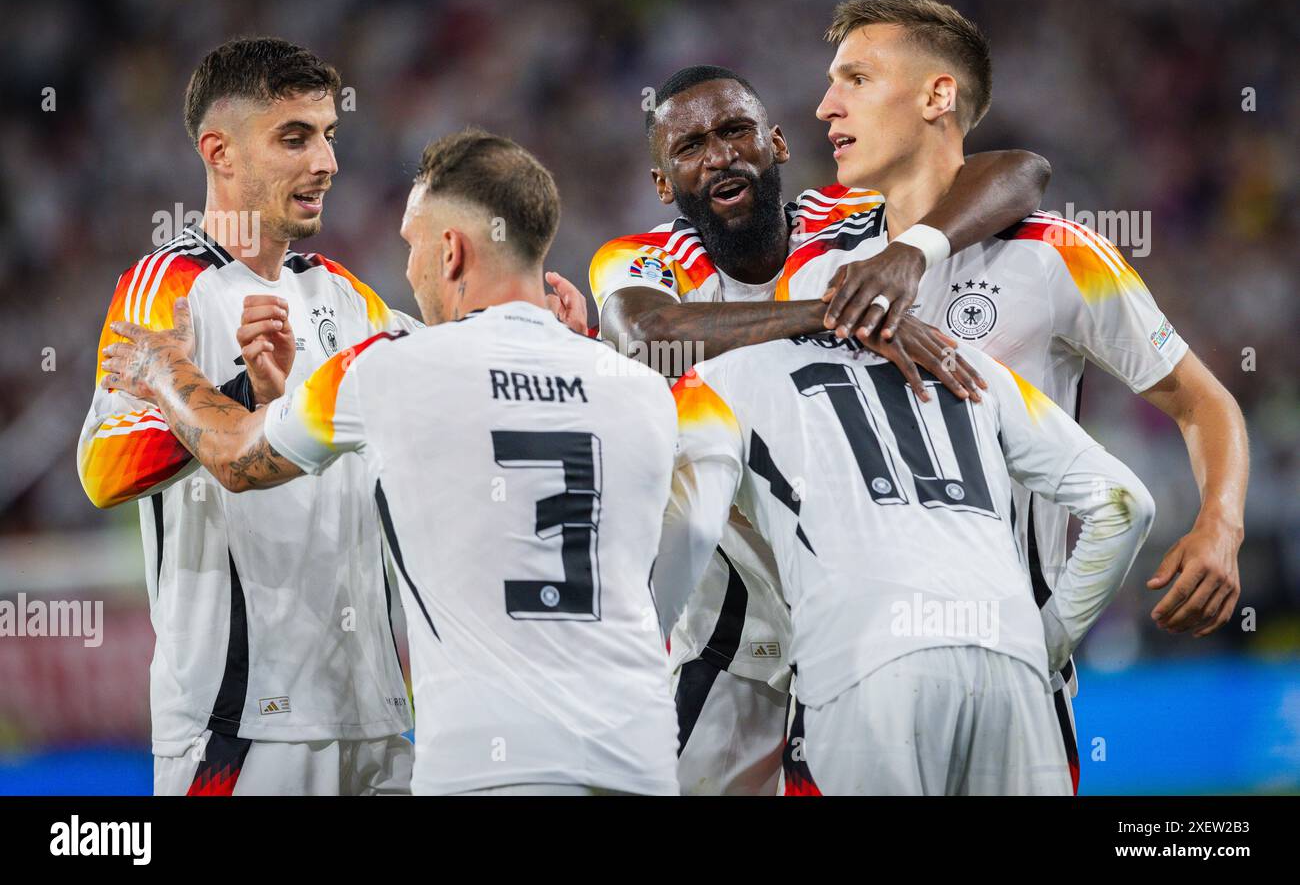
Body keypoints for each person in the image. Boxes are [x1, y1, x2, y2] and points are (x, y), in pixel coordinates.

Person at [100, 129, 681, 797]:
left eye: (412, 245)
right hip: (639, 760)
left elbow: (233, 456)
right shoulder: (641, 392)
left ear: (452, 251)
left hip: (490, 768)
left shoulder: (389, 371)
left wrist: (165, 370)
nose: (408, 272)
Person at [780, 0, 1248, 791]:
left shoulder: (1055, 255)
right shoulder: (811, 260)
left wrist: (1221, 525)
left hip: (1015, 675)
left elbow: (1202, 400)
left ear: (938, 97)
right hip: (847, 673)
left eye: (856, 79)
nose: (827, 106)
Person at [591, 63, 1051, 794]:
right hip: (734, 652)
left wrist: (910, 254)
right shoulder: (650, 259)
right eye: (691, 146)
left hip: (859, 629)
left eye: (737, 131)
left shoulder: (854, 219)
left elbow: (1021, 172)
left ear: (776, 143)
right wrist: (844, 310)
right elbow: (643, 333)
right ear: (662, 184)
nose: (719, 155)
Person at [655, 332, 1155, 794]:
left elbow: (690, 531)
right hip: (1012, 658)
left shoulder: (715, 379)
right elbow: (1125, 503)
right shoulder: (964, 361)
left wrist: (637, 657)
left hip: (863, 664)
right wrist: (1041, 645)